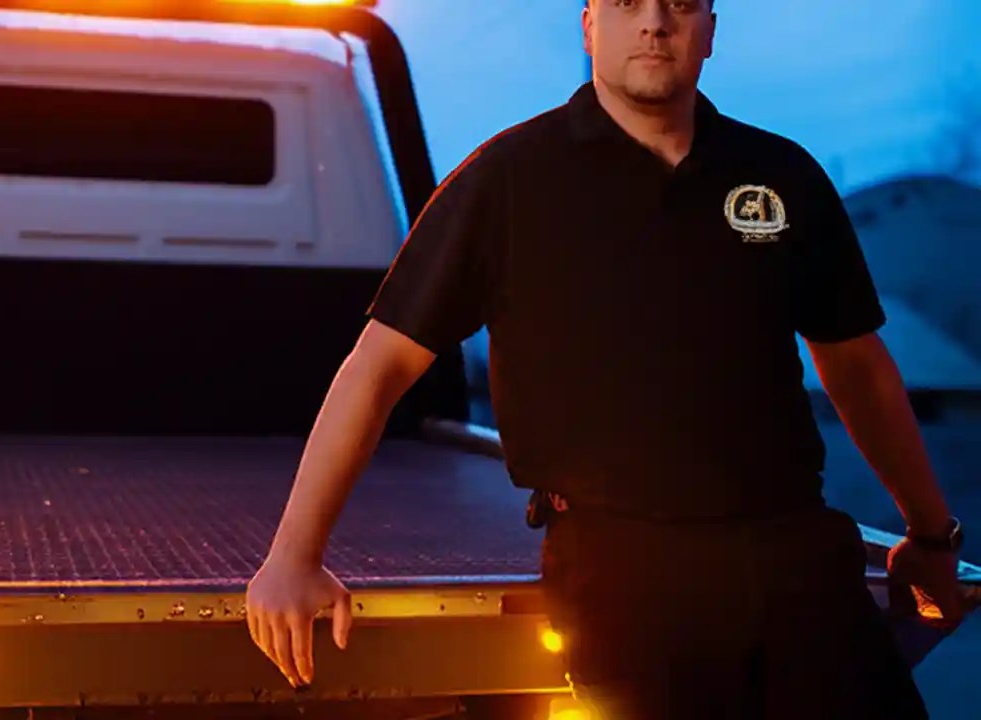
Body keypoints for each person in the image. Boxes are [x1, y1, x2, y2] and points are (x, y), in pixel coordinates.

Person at [245, 0, 968, 716]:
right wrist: (293, 557)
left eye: (680, 3)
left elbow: (857, 367)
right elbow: (377, 369)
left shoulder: (783, 176)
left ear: (710, 29)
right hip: (623, 571)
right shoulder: (509, 179)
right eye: (628, 2)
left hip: (796, 552)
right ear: (590, 26)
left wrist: (930, 533)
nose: (655, 22)